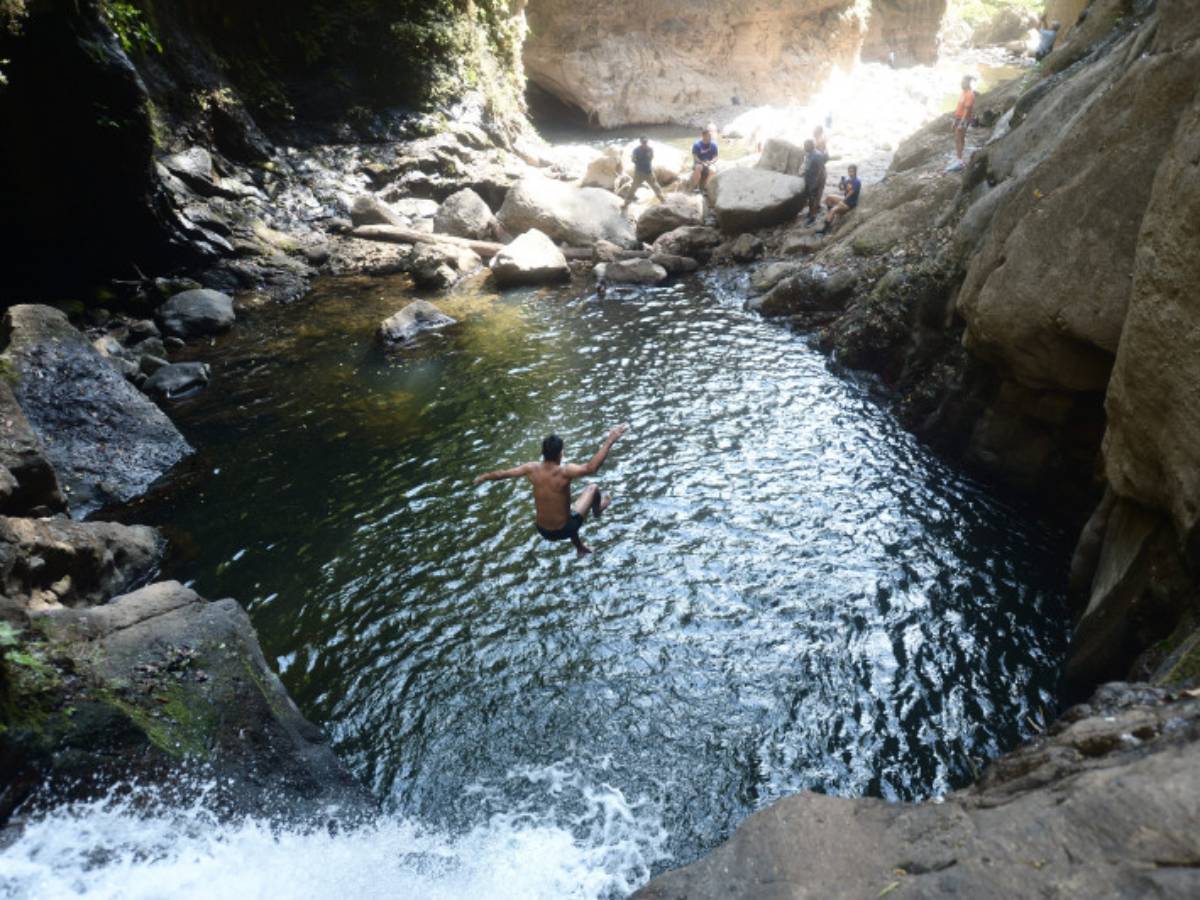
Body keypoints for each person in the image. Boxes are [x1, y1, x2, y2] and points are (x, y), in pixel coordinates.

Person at [473, 424, 629, 556]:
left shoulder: (531, 469)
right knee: (592, 488)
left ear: (542, 453)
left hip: (543, 531)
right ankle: (598, 509)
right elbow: (591, 468)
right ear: (561, 454)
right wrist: (610, 440)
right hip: (565, 530)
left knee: (568, 510)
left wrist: (484, 477)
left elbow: (502, 474)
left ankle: (580, 548)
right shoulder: (565, 472)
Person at [624, 137, 664, 210]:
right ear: (641, 142)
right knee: (633, 189)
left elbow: (650, 158)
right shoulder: (637, 150)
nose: (644, 143)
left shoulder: (649, 149)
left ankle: (664, 202)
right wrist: (638, 159)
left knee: (656, 187)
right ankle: (626, 204)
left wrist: (639, 159)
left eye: (645, 142)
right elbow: (633, 159)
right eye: (643, 142)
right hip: (639, 173)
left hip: (648, 172)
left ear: (647, 142)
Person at [820, 164, 861, 235]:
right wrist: (840, 183)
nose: (850, 173)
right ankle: (830, 216)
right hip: (845, 200)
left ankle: (825, 230)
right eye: (849, 171)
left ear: (855, 172)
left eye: (852, 171)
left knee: (833, 210)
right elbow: (841, 189)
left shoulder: (857, 181)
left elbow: (850, 193)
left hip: (850, 204)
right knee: (829, 197)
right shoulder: (848, 180)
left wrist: (842, 202)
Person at [802, 138, 826, 225]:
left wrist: (817, 182)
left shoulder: (817, 155)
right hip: (810, 178)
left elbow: (821, 169)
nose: (804, 147)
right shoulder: (809, 154)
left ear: (811, 146)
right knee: (810, 197)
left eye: (806, 146)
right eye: (804, 145)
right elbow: (808, 166)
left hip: (817, 179)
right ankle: (811, 212)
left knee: (814, 198)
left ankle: (812, 217)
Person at [953, 76, 976, 162]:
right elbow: (959, 106)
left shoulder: (970, 94)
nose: (961, 84)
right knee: (958, 138)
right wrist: (955, 119)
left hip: (964, 119)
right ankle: (959, 157)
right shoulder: (963, 92)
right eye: (961, 82)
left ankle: (959, 159)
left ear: (968, 83)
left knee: (959, 138)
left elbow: (967, 110)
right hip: (958, 118)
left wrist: (961, 123)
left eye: (963, 82)